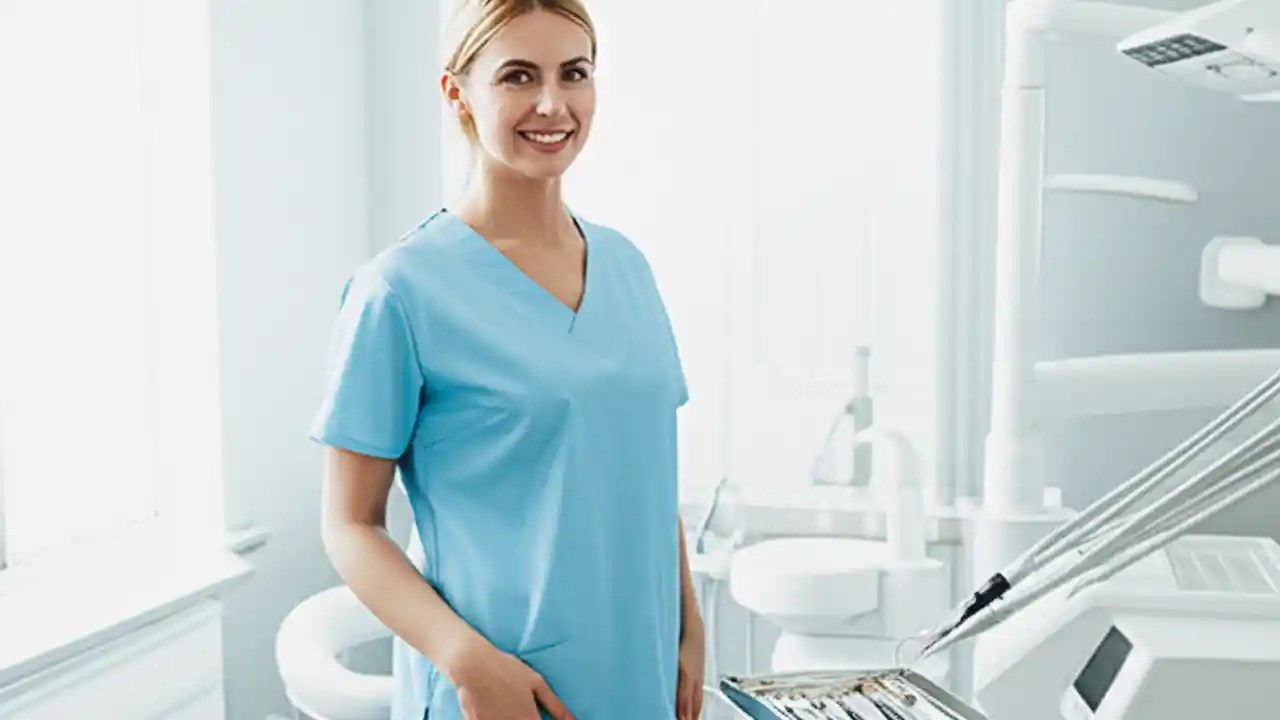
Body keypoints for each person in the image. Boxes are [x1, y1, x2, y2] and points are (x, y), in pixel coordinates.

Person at [309, 1, 704, 718]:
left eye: (573, 74)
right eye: (518, 76)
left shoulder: (627, 267)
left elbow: (644, 467)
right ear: (457, 92)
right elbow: (349, 524)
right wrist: (464, 660)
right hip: (498, 688)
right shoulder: (400, 291)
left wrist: (689, 623)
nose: (552, 104)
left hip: (638, 675)